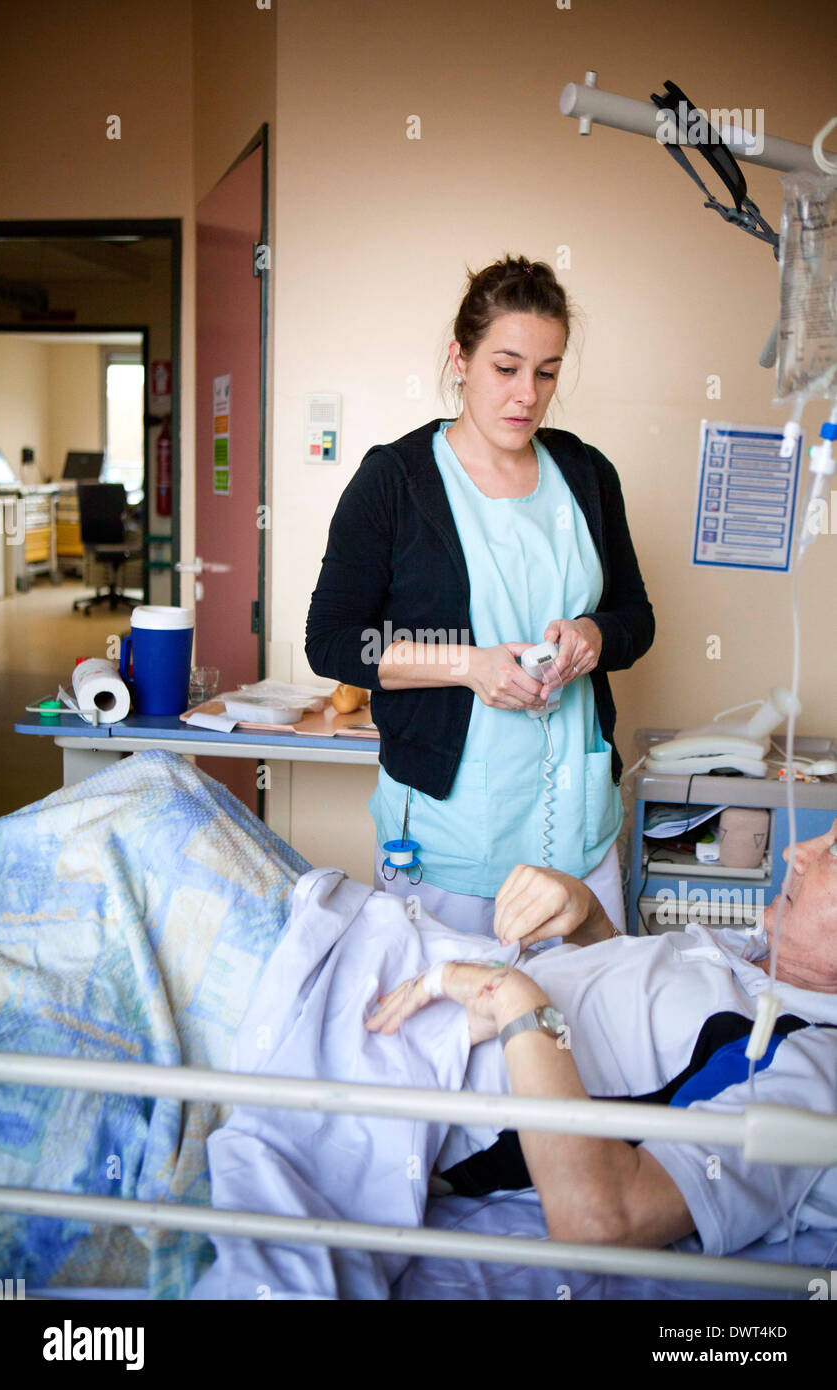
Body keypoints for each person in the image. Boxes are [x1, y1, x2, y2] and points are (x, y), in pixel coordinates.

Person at [305, 253, 654, 938]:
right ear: (459, 358)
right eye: (506, 367)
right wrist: (468, 666)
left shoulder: (586, 476)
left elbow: (636, 619)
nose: (528, 393)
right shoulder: (396, 482)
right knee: (456, 1021)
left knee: (594, 1023)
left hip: (576, 824)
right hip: (450, 835)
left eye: (547, 372)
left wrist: (593, 635)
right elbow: (334, 640)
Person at [365, 820, 837, 1285]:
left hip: (397, 1057)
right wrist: (590, 922)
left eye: (834, 852)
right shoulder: (757, 950)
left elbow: (600, 1221)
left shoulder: (806, 1061)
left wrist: (515, 1000)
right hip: (411, 968)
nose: (795, 852)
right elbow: (641, 1033)